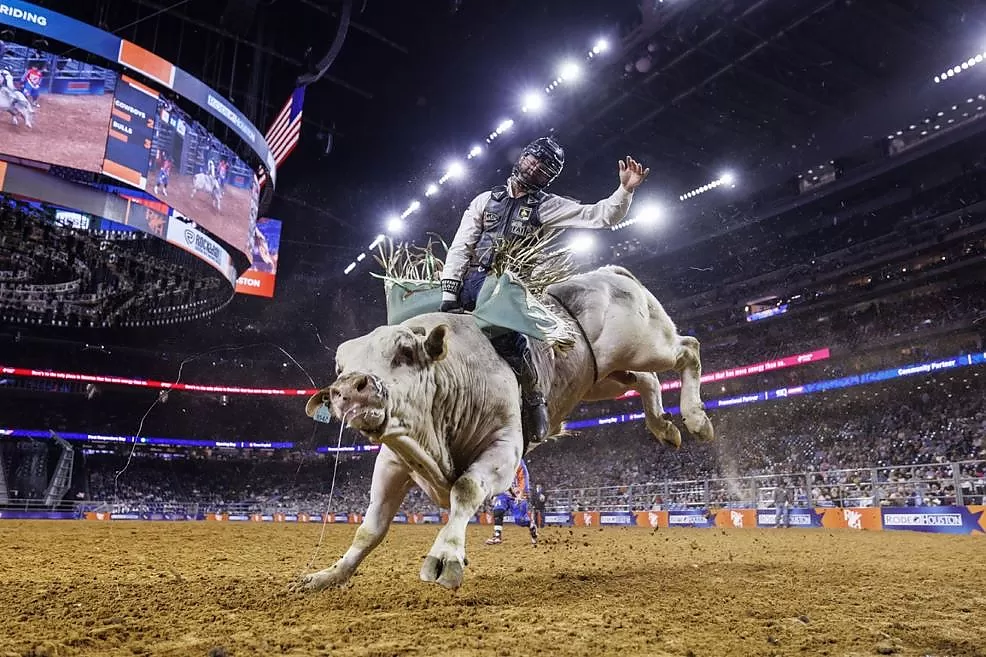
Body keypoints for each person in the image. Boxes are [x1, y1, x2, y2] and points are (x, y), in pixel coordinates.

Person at [439, 136, 650, 446]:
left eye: (543, 167)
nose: (534, 166)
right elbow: (462, 246)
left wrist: (625, 190)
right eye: (532, 159)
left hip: (509, 290)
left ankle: (535, 399)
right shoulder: (485, 200)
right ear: (522, 158)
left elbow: (600, 215)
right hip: (470, 282)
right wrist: (448, 294)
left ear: (548, 177)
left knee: (511, 340)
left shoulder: (548, 206)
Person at [485, 459, 539, 546]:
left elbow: (524, 477)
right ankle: (497, 536)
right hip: (504, 493)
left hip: (518, 494)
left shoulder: (518, 461)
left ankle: (531, 525)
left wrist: (522, 493)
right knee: (498, 510)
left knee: (520, 520)